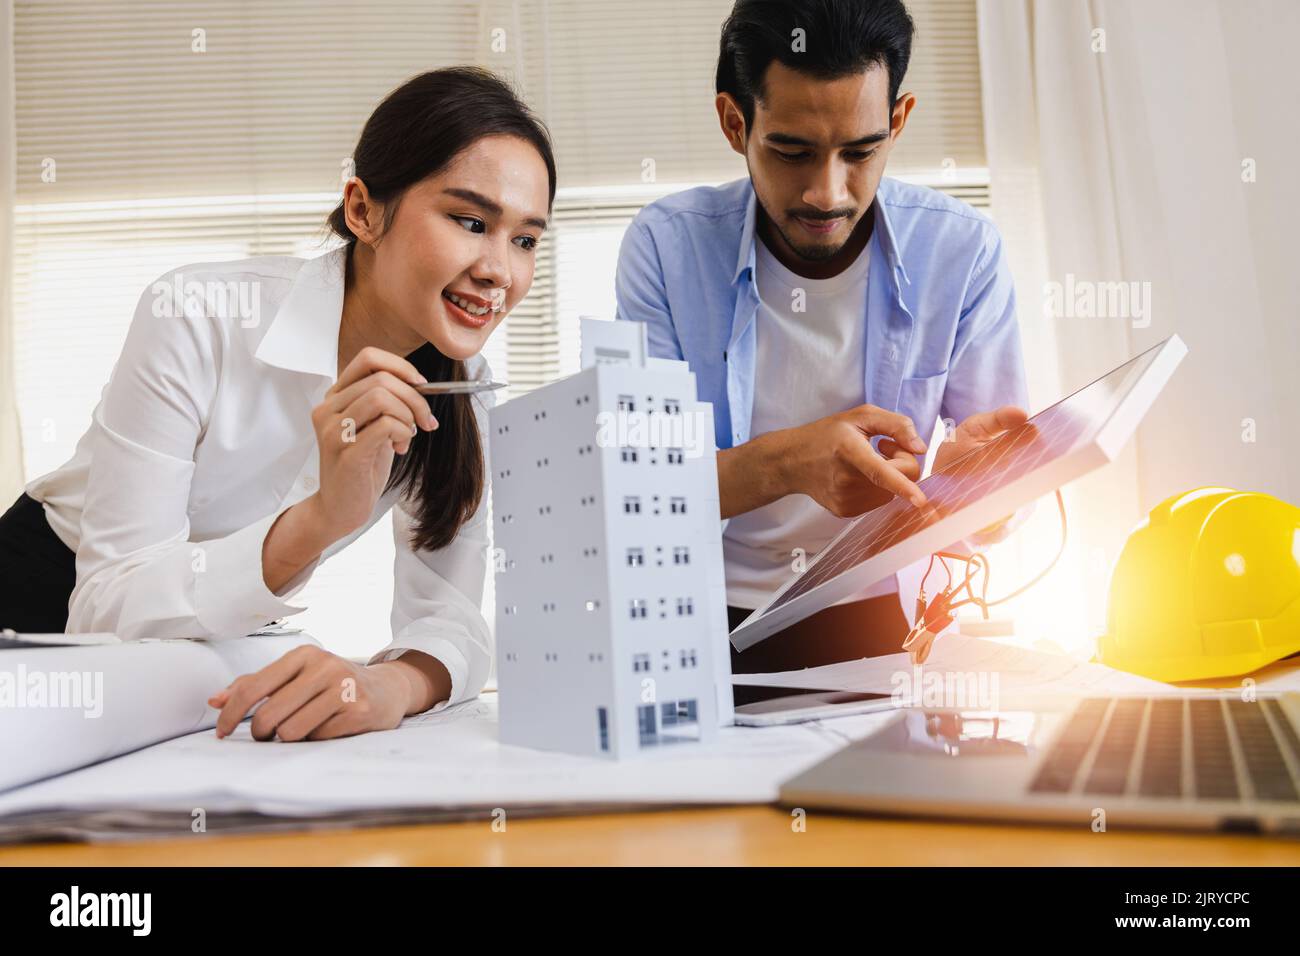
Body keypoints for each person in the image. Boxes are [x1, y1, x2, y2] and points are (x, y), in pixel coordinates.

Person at [0, 67, 555, 741]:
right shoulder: (196, 315)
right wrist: (321, 518)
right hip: (43, 595)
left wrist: (390, 684)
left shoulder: (463, 393)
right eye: (470, 220)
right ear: (363, 210)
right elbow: (106, 607)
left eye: (525, 239)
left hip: (215, 644)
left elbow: (451, 618)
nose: (501, 270)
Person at [615, 0, 1028, 675]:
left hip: (889, 625)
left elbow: (995, 508)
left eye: (861, 152)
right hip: (694, 627)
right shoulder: (667, 247)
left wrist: (973, 488)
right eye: (792, 152)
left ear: (897, 122)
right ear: (734, 123)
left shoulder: (963, 252)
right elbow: (638, 491)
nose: (825, 193)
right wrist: (788, 464)